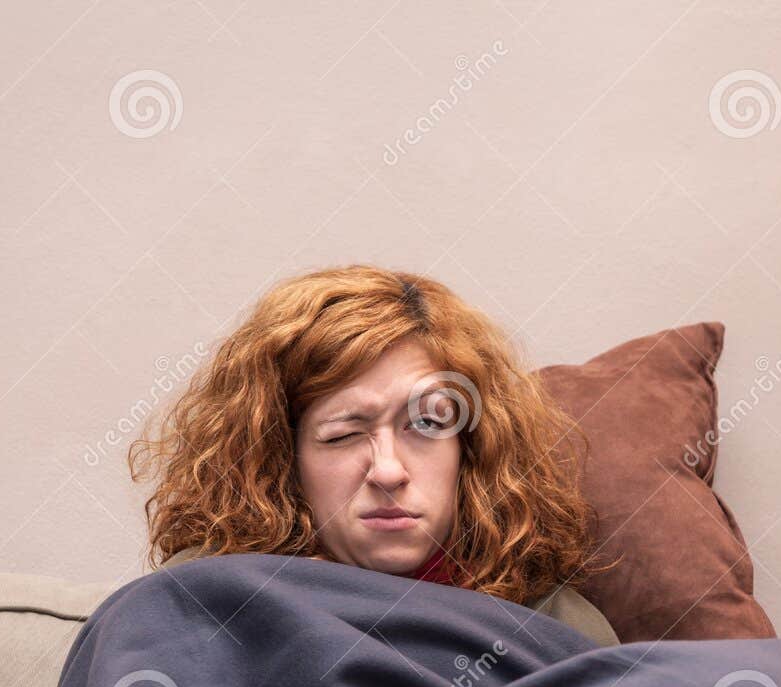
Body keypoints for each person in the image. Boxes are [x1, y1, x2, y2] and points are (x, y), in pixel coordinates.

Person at [128, 264, 618, 646]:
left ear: (469, 451)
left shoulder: (555, 625)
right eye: (342, 434)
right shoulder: (200, 605)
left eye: (427, 425)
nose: (387, 470)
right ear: (282, 461)